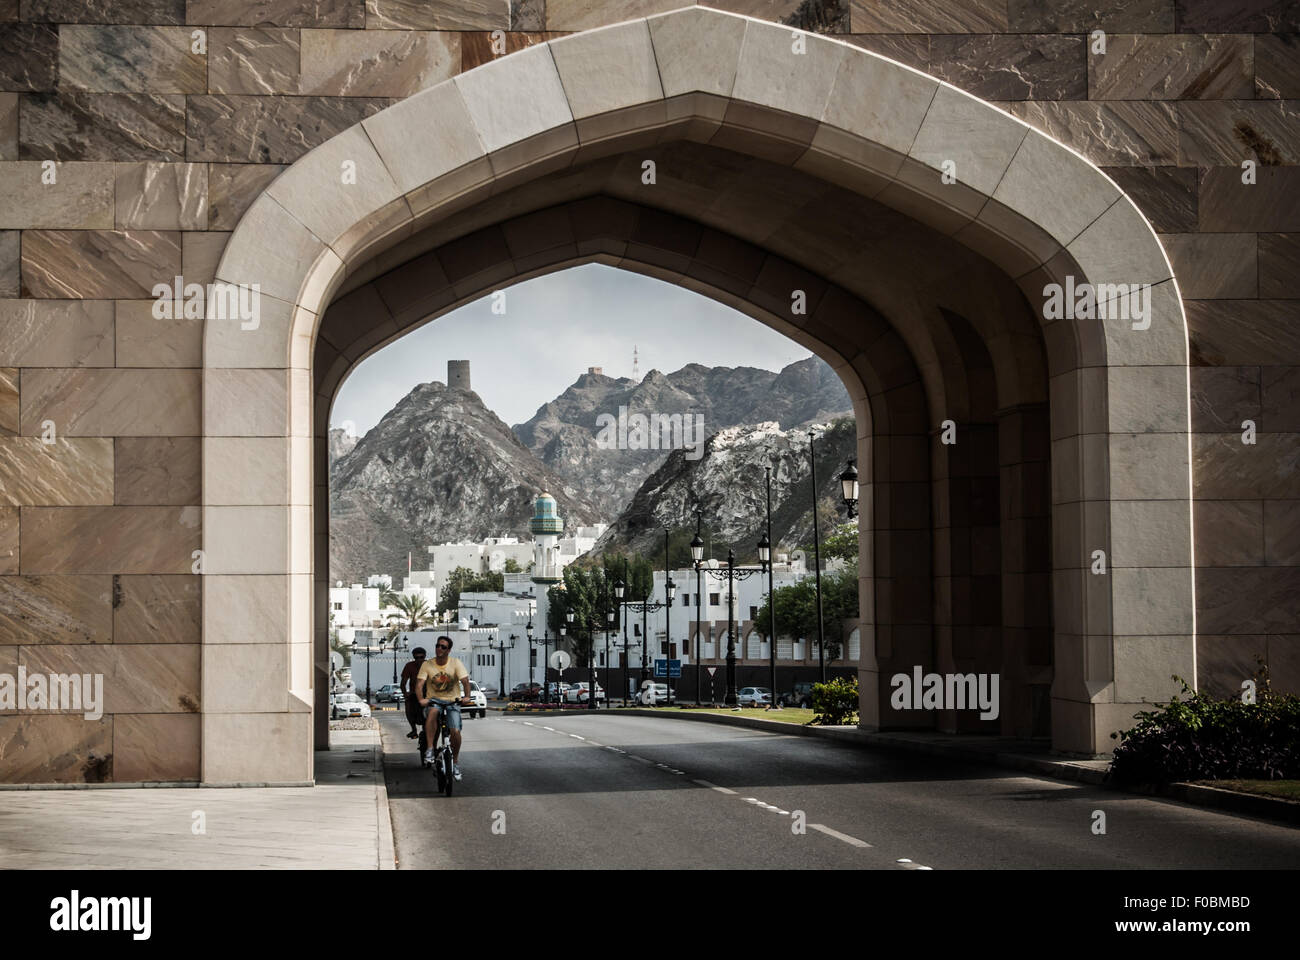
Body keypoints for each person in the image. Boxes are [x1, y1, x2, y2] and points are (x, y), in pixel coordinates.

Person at [416, 636, 473, 780]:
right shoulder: (427, 664)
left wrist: (466, 696)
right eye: (437, 645)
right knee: (433, 713)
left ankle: (456, 762)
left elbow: (465, 681)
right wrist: (421, 699)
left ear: (449, 650)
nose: (439, 649)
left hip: (453, 702)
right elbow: (419, 684)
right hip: (434, 701)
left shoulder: (455, 663)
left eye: (443, 647)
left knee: (455, 731)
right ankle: (430, 749)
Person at [400, 646, 427, 741]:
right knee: (408, 707)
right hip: (414, 694)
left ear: (425, 657)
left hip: (428, 694)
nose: (419, 660)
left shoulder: (430, 665)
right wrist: (405, 693)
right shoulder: (409, 666)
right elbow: (403, 683)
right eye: (416, 658)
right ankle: (413, 729)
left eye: (421, 657)